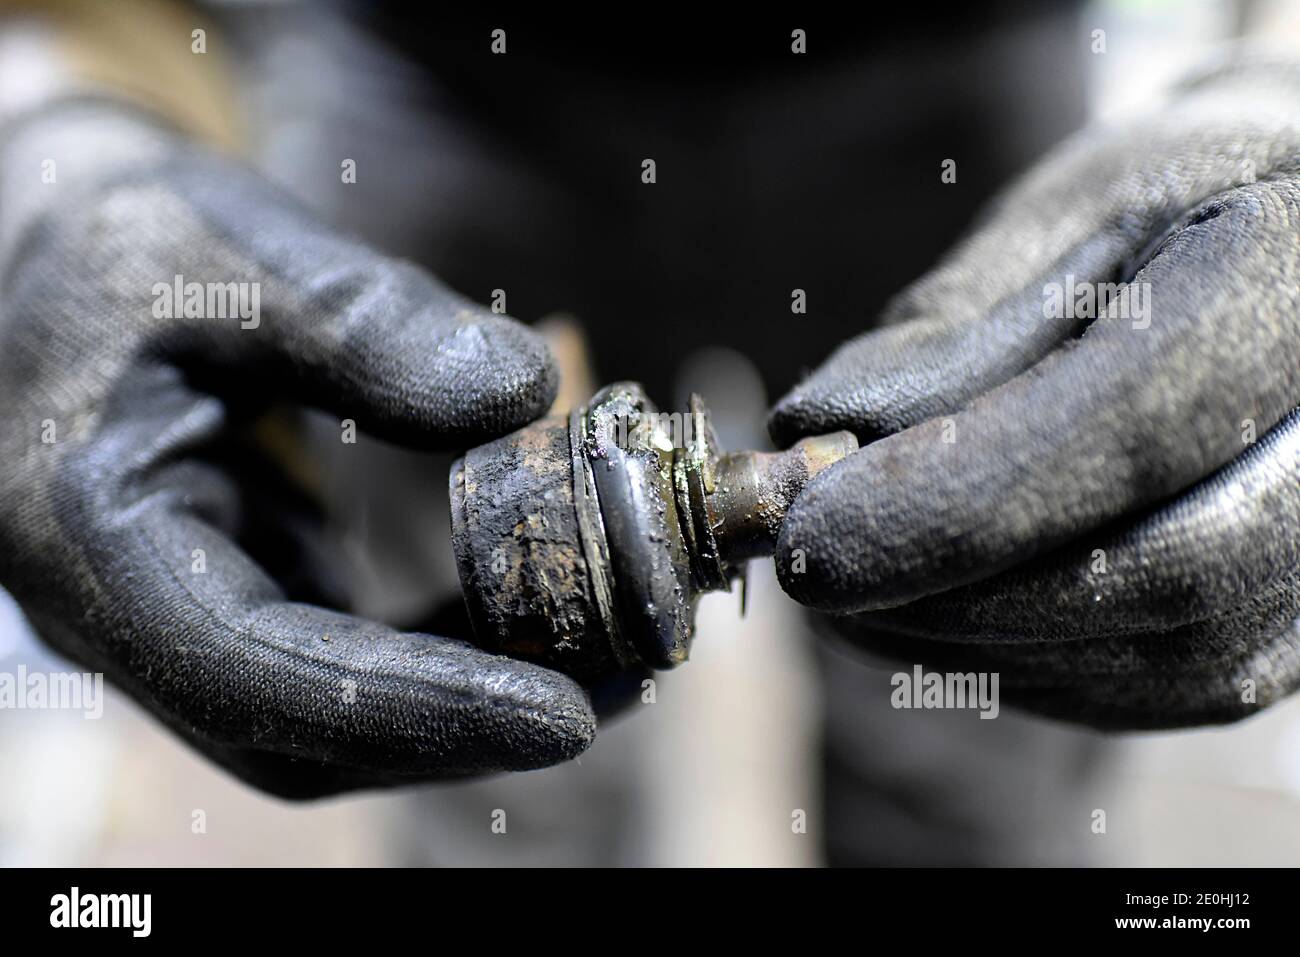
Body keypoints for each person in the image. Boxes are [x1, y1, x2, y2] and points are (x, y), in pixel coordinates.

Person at [0, 3, 1296, 862]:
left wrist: (1278, 85)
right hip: (442, 76)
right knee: (491, 766)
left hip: (954, 97)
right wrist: (42, 133)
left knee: (974, 700)